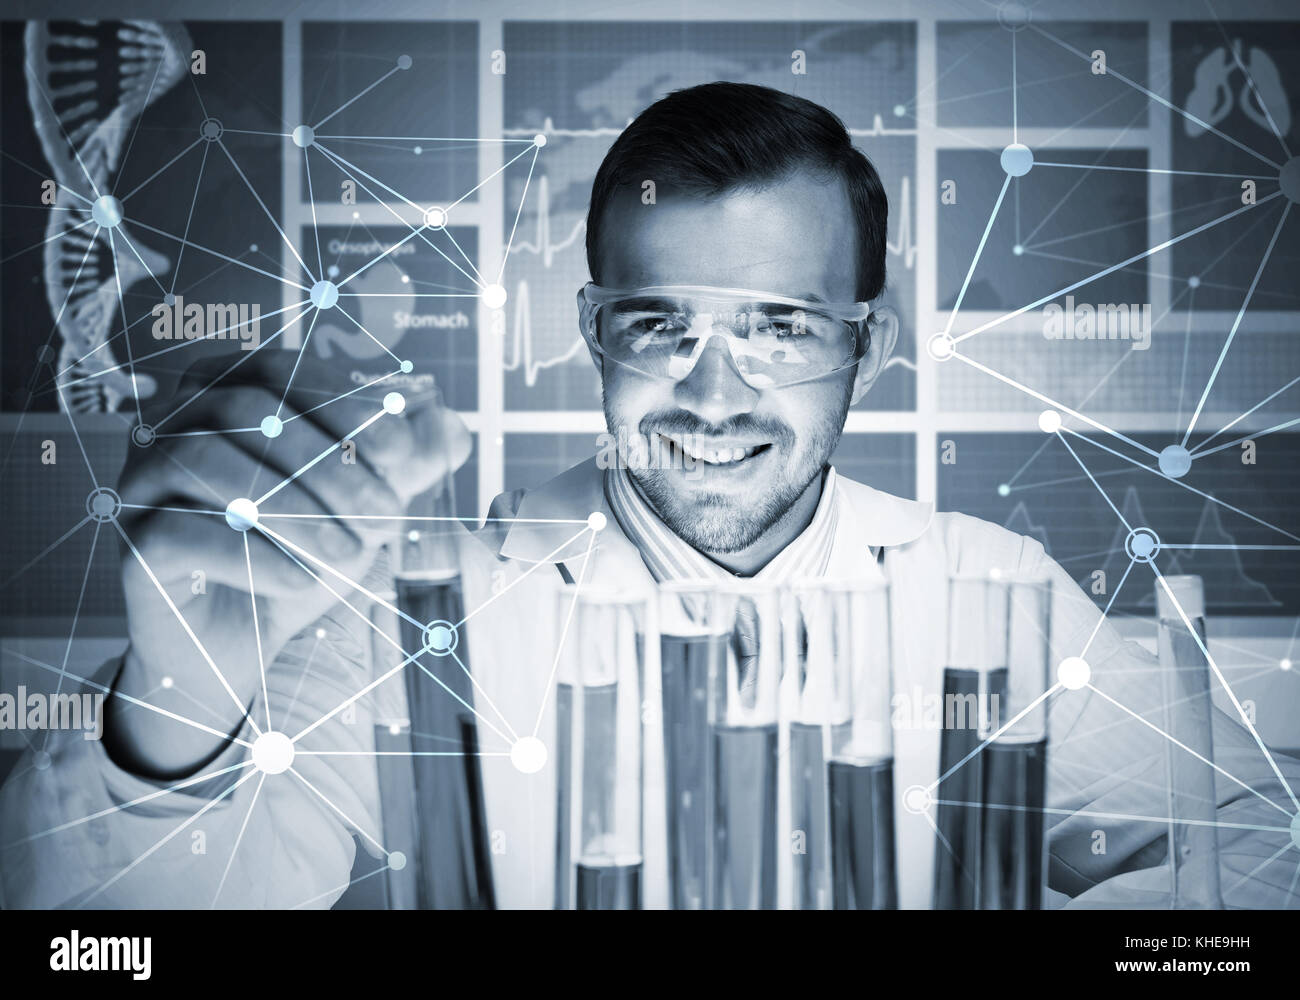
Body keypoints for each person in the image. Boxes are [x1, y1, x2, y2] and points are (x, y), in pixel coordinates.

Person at [2, 82, 1295, 909]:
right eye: (661, 321)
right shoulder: (421, 608)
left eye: (783, 326)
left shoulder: (999, 594)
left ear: (872, 341)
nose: (714, 393)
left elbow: (1258, 845)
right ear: (594, 330)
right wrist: (173, 724)